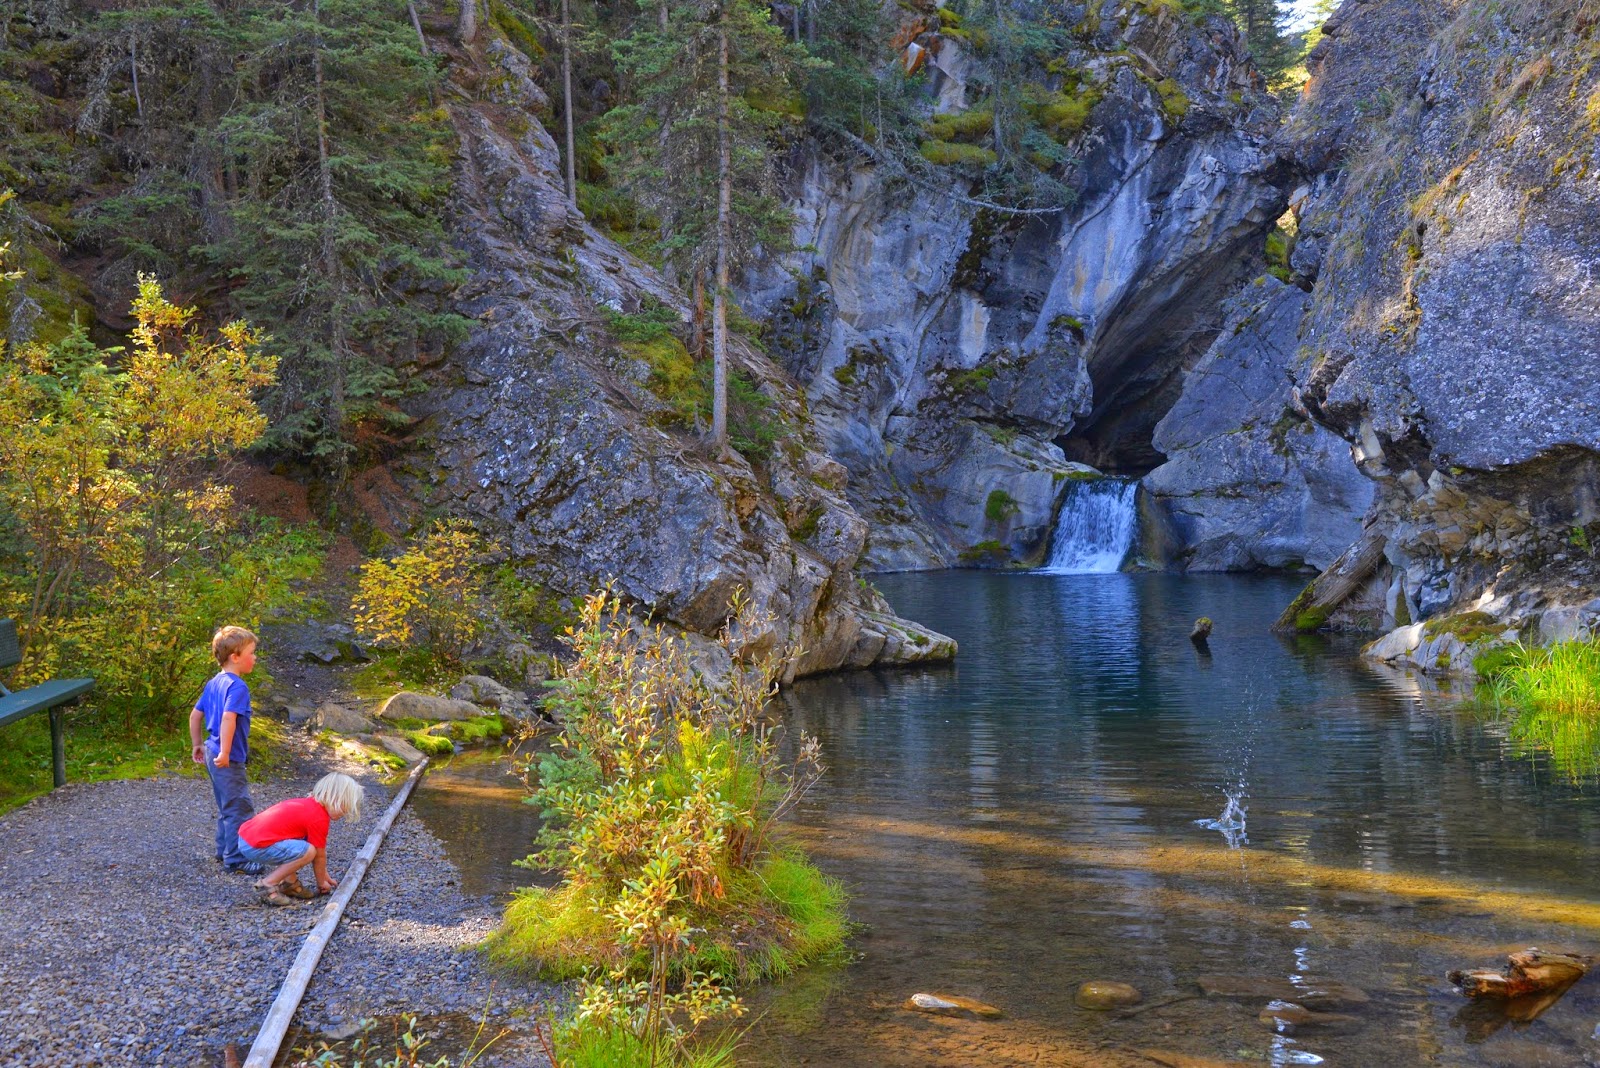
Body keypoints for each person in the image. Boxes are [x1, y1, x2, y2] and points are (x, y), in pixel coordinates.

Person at [190, 626, 260, 874]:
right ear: (235, 657)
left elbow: (196, 714)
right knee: (239, 807)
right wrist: (226, 752)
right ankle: (237, 859)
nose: (255, 658)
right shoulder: (237, 686)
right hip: (226, 757)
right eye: (252, 653)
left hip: (211, 750)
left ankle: (223, 850)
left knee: (225, 805)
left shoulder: (214, 683)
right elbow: (229, 718)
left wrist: (197, 744)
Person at [237, 772, 365, 906]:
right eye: (345, 806)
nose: (345, 812)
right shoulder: (319, 818)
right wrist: (321, 883)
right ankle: (267, 885)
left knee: (299, 847)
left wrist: (324, 875)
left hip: (246, 839)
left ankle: (290, 884)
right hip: (255, 846)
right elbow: (319, 856)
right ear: (333, 798)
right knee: (307, 851)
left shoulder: (308, 805)